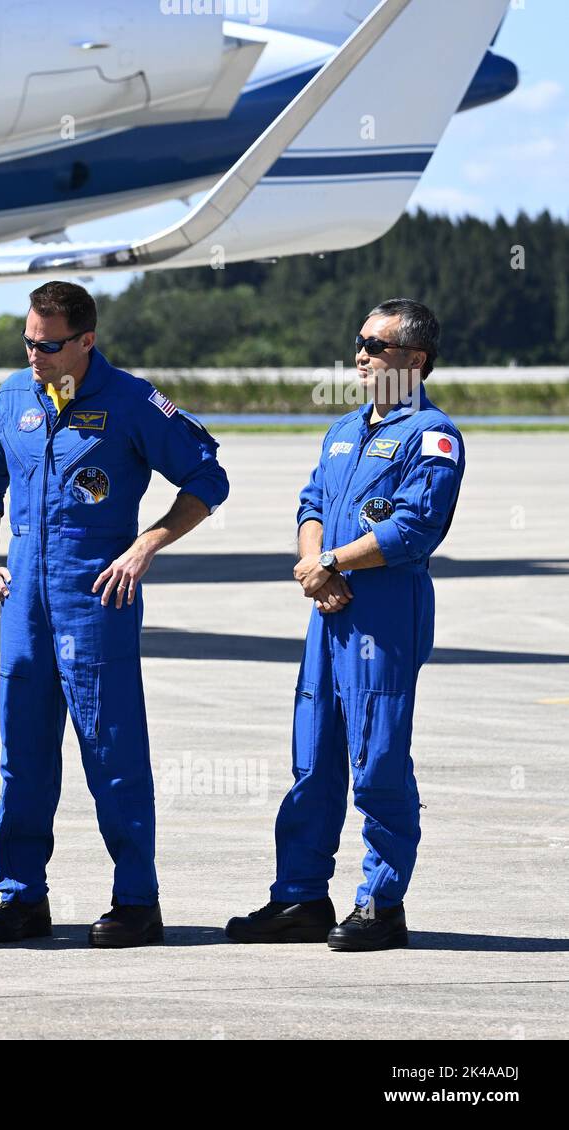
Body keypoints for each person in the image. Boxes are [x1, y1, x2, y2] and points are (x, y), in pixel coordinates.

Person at [0, 281, 229, 947]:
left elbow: (207, 478)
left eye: (49, 345)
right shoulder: (11, 399)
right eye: (28, 341)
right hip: (23, 603)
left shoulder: (135, 401)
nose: (36, 355)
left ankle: (137, 902)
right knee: (22, 756)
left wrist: (147, 544)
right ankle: (21, 898)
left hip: (97, 600)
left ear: (86, 340)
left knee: (112, 753)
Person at [227, 298, 464, 951]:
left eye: (375, 345)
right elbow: (311, 501)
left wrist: (330, 561)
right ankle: (301, 897)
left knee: (378, 759)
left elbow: (414, 528)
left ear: (413, 360)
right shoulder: (341, 431)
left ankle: (381, 905)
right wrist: (314, 564)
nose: (360, 353)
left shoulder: (431, 435)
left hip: (383, 618)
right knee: (313, 758)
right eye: (359, 341)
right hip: (327, 614)